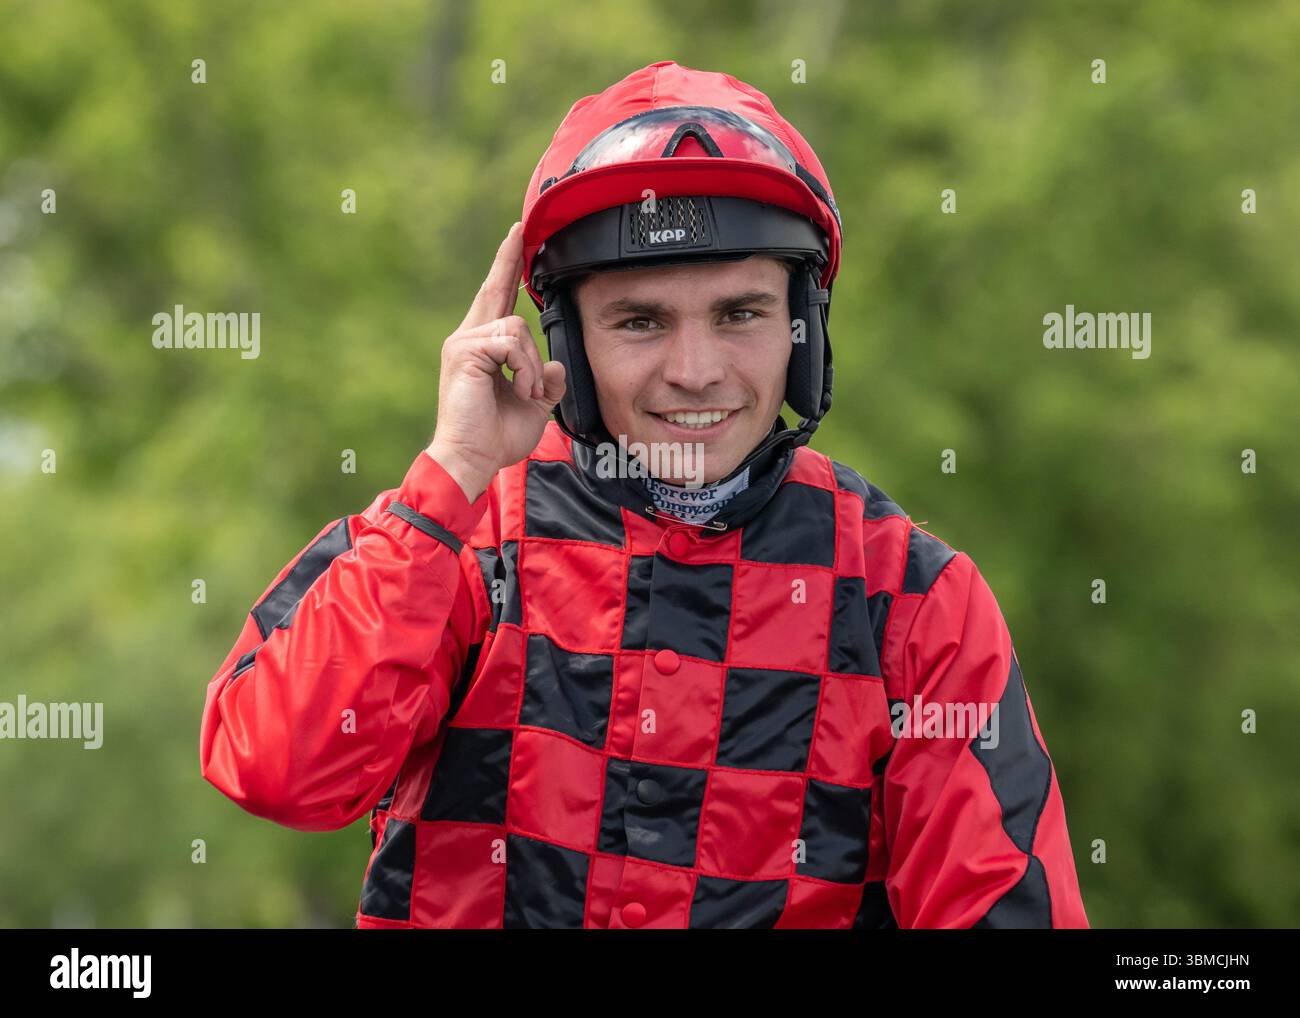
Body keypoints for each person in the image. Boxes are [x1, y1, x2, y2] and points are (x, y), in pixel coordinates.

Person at [199, 60, 1089, 929]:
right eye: (640, 321)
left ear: (800, 329)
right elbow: (277, 771)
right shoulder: (454, 543)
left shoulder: (917, 604)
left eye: (738, 313)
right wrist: (453, 474)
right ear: (568, 346)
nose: (696, 373)